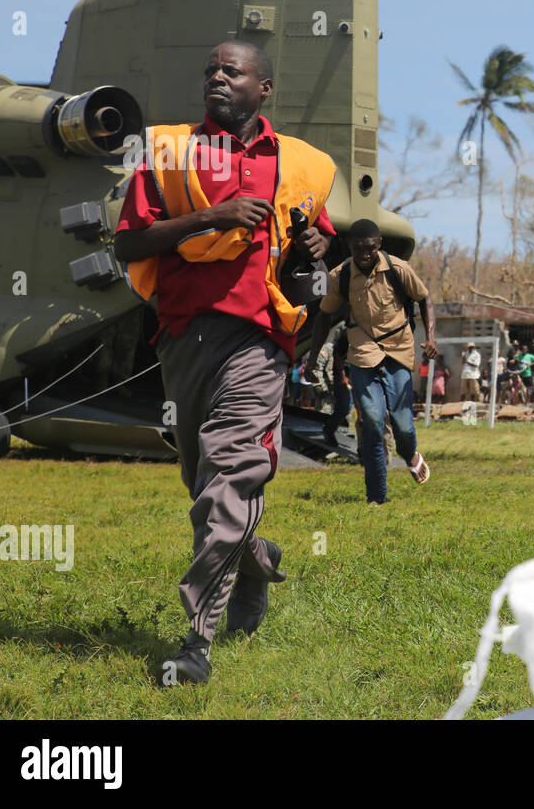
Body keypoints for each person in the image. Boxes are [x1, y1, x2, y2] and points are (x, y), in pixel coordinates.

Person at [113, 40, 337, 686]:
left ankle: (195, 645)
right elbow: (129, 240)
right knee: (203, 478)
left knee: (230, 474)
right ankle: (254, 555)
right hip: (182, 335)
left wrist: (323, 242)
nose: (216, 76)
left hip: (259, 339)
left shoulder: (298, 163)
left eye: (231, 70)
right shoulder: (170, 152)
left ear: (263, 88)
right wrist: (209, 216)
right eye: (210, 69)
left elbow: (315, 251)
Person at [304, 218, 440, 503]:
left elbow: (425, 300)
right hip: (363, 353)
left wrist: (430, 338)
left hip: (398, 350)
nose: (364, 255)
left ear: (379, 245)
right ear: (350, 248)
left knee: (402, 423)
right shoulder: (340, 275)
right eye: (358, 249)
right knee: (372, 422)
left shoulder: (398, 269)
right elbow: (324, 316)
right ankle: (377, 496)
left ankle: (410, 453)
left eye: (369, 249)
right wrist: (313, 357)